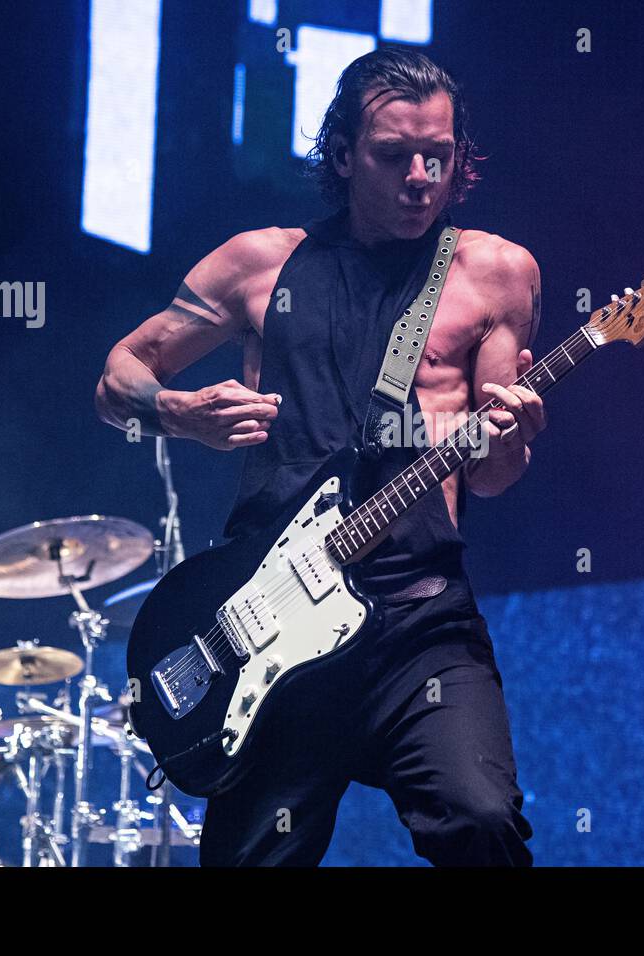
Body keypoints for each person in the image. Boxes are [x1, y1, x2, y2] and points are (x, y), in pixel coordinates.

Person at [96, 49, 542, 865]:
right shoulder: (259, 264)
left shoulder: (496, 274)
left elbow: (490, 475)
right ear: (342, 156)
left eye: (437, 156)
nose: (420, 175)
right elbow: (119, 374)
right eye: (393, 155)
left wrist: (510, 437)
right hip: (271, 621)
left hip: (419, 623)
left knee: (481, 819)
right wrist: (180, 413)